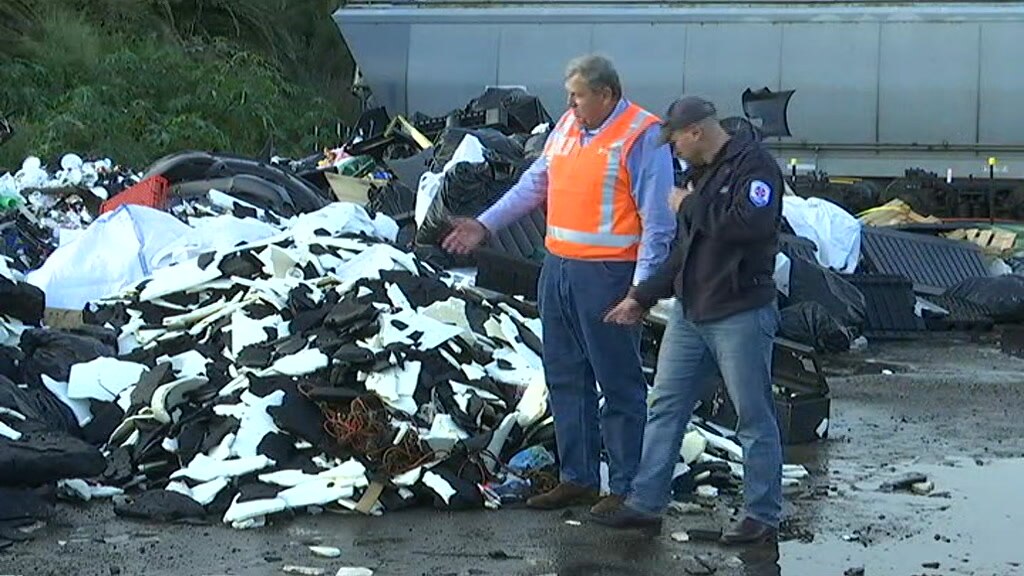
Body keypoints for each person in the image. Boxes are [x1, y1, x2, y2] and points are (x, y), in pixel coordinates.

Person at [442, 54, 676, 515]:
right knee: (566, 377)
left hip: (609, 274)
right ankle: (578, 478)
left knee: (619, 382)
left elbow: (659, 223)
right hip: (560, 270)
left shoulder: (642, 135)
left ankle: (625, 487)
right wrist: (485, 226)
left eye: (578, 95)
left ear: (606, 94)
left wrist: (641, 291)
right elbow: (534, 185)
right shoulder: (568, 127)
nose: (569, 103)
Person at [594, 96, 785, 545]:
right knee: (666, 407)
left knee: (753, 416)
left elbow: (751, 226)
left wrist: (689, 206)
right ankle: (645, 503)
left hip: (739, 310)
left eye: (675, 138)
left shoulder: (754, 167)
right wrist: (642, 297)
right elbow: (686, 252)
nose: (673, 148)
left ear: (697, 131)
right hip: (691, 312)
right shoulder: (700, 174)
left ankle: (762, 514)